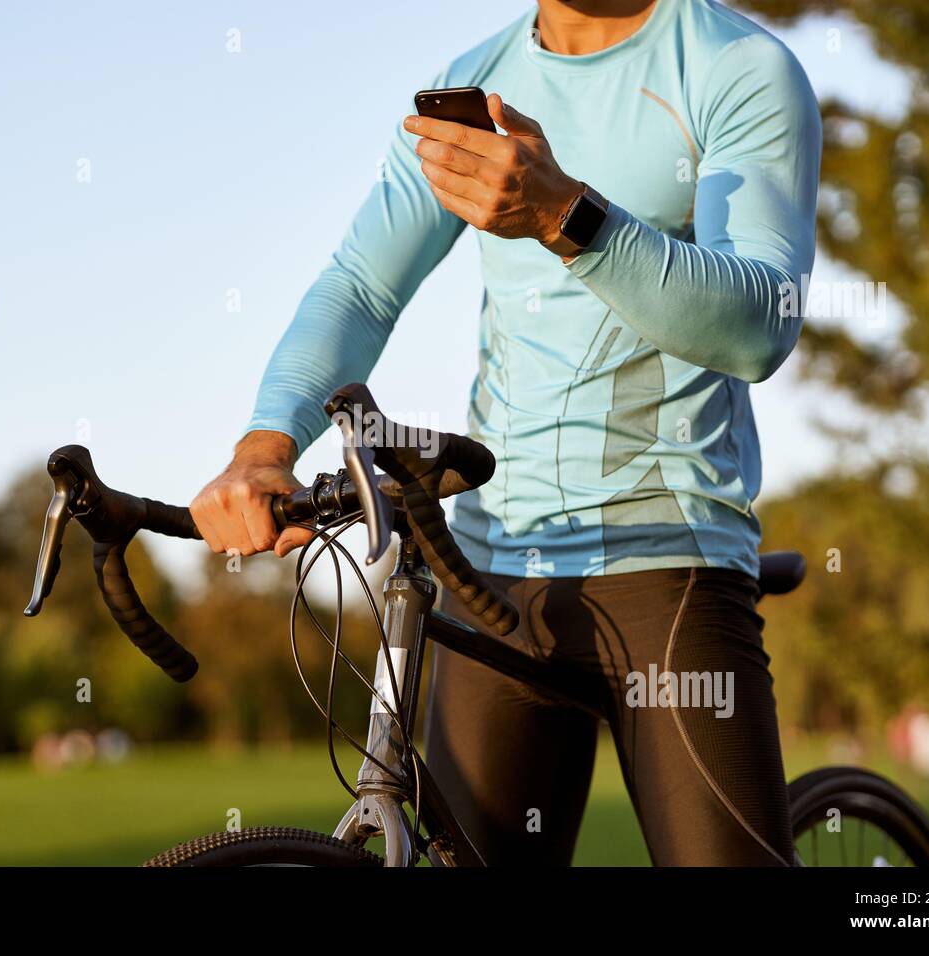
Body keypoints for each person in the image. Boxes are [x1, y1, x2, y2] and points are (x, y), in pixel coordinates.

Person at [191, 0, 820, 865]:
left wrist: (566, 213)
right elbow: (361, 287)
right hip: (494, 576)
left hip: (669, 560)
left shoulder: (735, 66)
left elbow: (758, 324)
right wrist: (265, 445)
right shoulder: (475, 88)